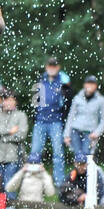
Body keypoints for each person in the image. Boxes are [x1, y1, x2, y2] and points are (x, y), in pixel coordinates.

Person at [30, 57, 71, 185]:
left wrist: (62, 115)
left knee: (58, 153)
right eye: (50, 66)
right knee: (35, 152)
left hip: (56, 121)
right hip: (40, 121)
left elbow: (68, 102)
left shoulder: (63, 81)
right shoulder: (40, 80)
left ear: (58, 67)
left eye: (54, 66)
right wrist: (36, 115)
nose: (52, 68)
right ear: (46, 67)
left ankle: (59, 182)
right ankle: (32, 180)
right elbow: (34, 101)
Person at [0, 88, 29, 196]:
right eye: (6, 100)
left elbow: (21, 135)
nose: (8, 103)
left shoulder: (21, 115)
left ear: (15, 102)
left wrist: (2, 137)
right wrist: (9, 131)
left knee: (10, 187)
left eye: (11, 100)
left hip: (13, 156)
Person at [63, 75, 104, 164]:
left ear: (96, 86)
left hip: (90, 133)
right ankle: (78, 177)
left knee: (88, 157)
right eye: (88, 83)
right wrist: (66, 134)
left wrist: (97, 133)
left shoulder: (101, 100)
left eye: (92, 84)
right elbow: (71, 117)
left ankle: (88, 177)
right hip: (75, 131)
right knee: (78, 157)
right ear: (84, 85)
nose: (90, 86)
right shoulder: (77, 98)